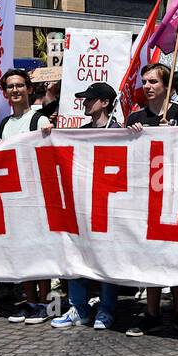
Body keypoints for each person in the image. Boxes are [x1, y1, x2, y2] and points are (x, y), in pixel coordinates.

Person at [125, 62, 178, 337]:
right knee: (148, 257)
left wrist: (173, 135)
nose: (148, 86)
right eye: (145, 81)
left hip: (175, 195)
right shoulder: (135, 119)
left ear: (167, 86)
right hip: (145, 197)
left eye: (154, 81)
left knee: (174, 256)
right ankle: (151, 313)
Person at [51, 83, 121, 330]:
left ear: (104, 102)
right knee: (76, 255)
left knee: (106, 260)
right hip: (82, 206)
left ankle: (106, 309)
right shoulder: (81, 132)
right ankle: (79, 308)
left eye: (90, 99)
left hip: (108, 208)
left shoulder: (118, 131)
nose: (85, 103)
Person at [0, 69, 53, 326]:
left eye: (19, 86)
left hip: (36, 195)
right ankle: (31, 302)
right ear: (5, 92)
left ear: (29, 89)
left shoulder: (38, 120)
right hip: (13, 196)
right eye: (10, 87)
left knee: (40, 251)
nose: (15, 90)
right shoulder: (5, 125)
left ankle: (46, 303)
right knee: (22, 252)